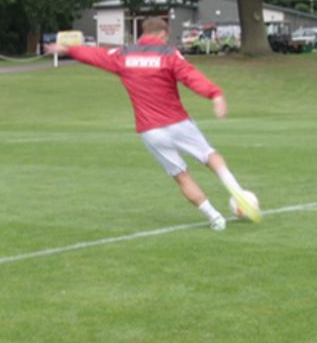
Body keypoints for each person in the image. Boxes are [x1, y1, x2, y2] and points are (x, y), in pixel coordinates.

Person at [44, 17, 260, 231]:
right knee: (209, 156)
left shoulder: (124, 55)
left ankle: (215, 218)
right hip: (177, 122)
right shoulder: (168, 53)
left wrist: (67, 49)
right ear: (162, 34)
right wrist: (214, 94)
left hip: (151, 130)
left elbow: (96, 55)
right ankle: (237, 191)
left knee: (181, 176)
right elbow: (190, 76)